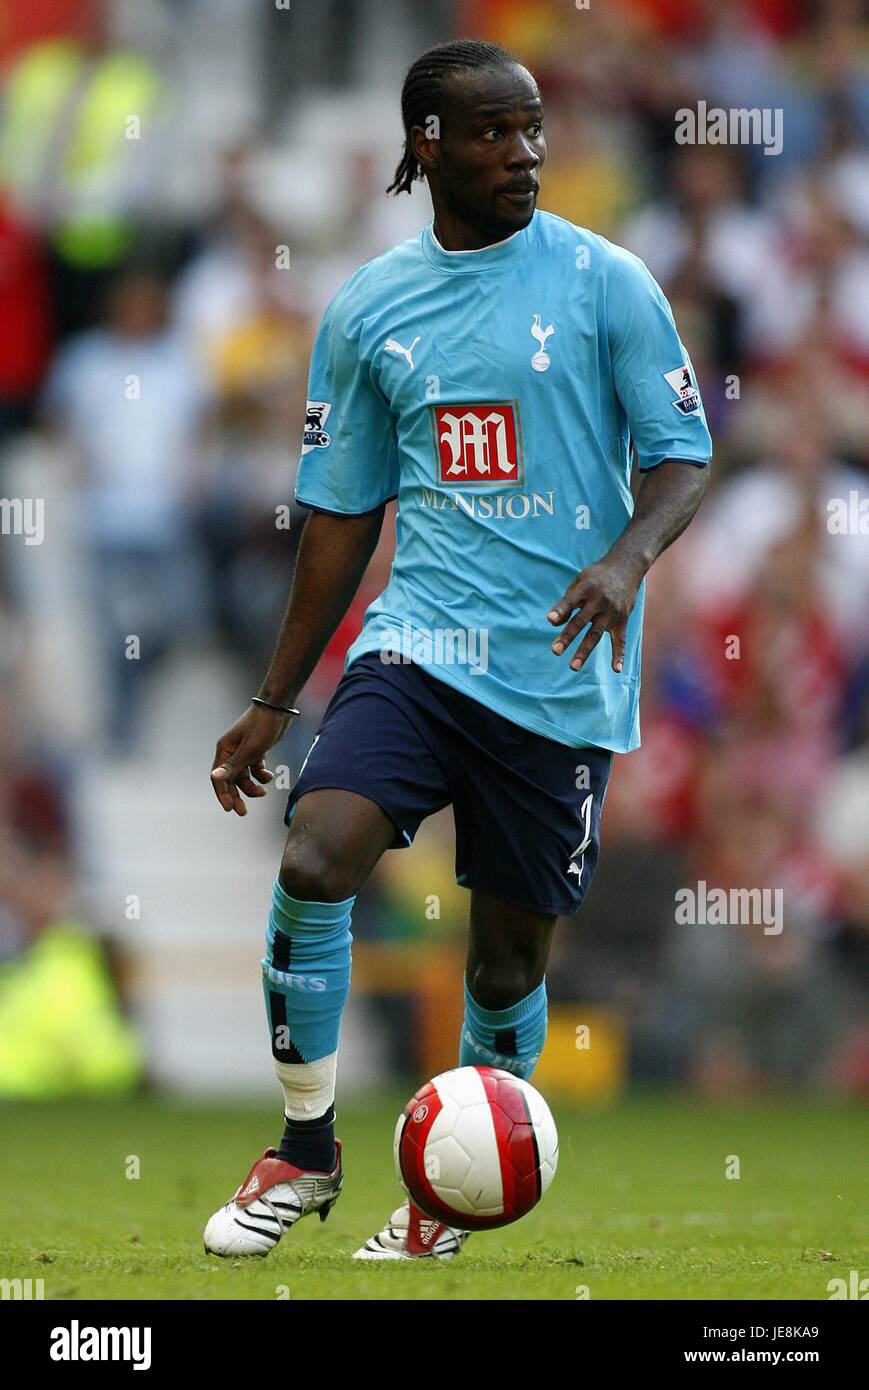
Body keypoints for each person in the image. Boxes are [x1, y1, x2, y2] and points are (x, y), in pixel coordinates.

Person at [203, 38, 712, 1262]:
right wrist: (276, 697)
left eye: (530, 129)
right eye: (491, 133)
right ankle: (305, 1149)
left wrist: (625, 560)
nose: (521, 153)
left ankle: (444, 1205)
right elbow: (339, 515)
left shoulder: (607, 283)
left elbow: (682, 456)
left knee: (501, 964)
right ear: (424, 143)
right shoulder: (369, 308)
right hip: (418, 648)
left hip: (560, 673)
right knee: (319, 854)